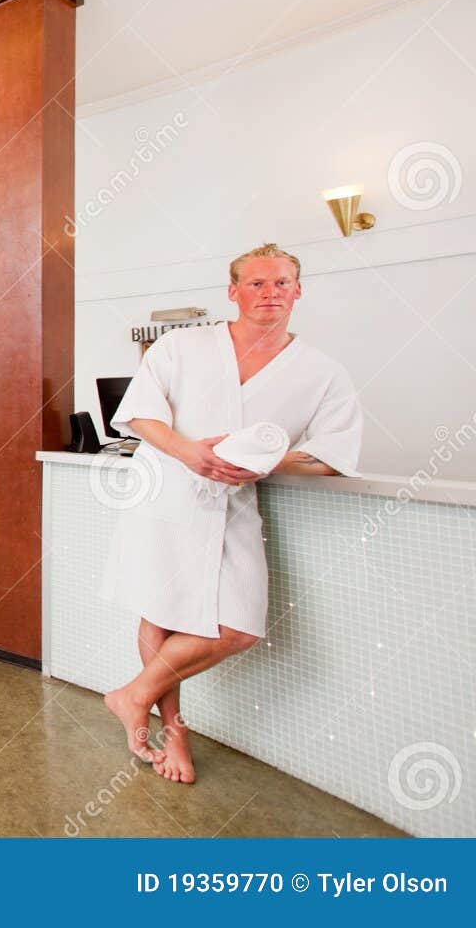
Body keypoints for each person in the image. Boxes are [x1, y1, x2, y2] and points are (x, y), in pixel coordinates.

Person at [101, 243, 363, 784]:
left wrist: (265, 461)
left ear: (298, 290)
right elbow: (141, 416)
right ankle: (174, 732)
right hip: (167, 491)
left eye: (282, 282)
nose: (270, 292)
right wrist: (189, 453)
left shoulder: (322, 372)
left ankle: (133, 696)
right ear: (233, 291)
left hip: (235, 502)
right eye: (256, 283)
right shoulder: (182, 345)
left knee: (238, 627)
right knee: (162, 612)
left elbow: (334, 456)